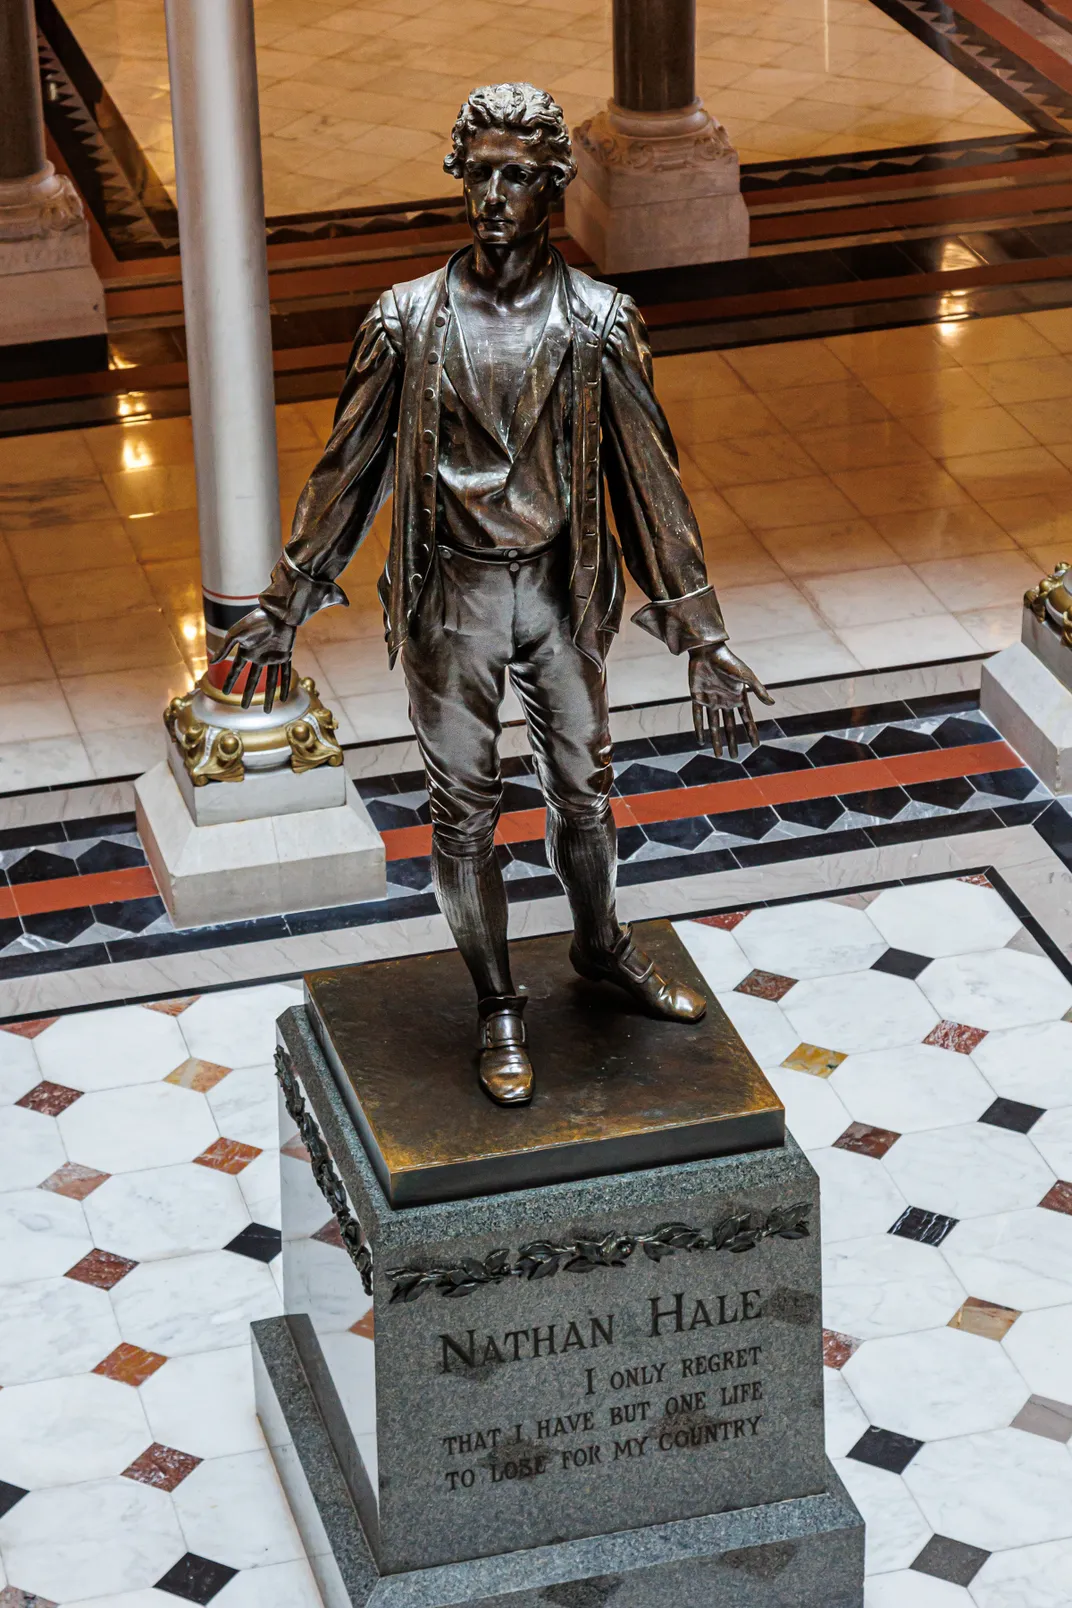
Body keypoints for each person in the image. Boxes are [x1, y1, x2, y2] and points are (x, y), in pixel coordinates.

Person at [214, 82, 772, 1108]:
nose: (495, 195)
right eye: (479, 173)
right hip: (450, 597)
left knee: (586, 791)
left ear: (554, 185)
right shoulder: (406, 321)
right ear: (459, 180)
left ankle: (600, 946)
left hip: (561, 593)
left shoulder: (601, 323)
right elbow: (351, 470)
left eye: (518, 175)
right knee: (463, 813)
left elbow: (649, 483)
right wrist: (288, 598)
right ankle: (497, 1000)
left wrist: (700, 635)